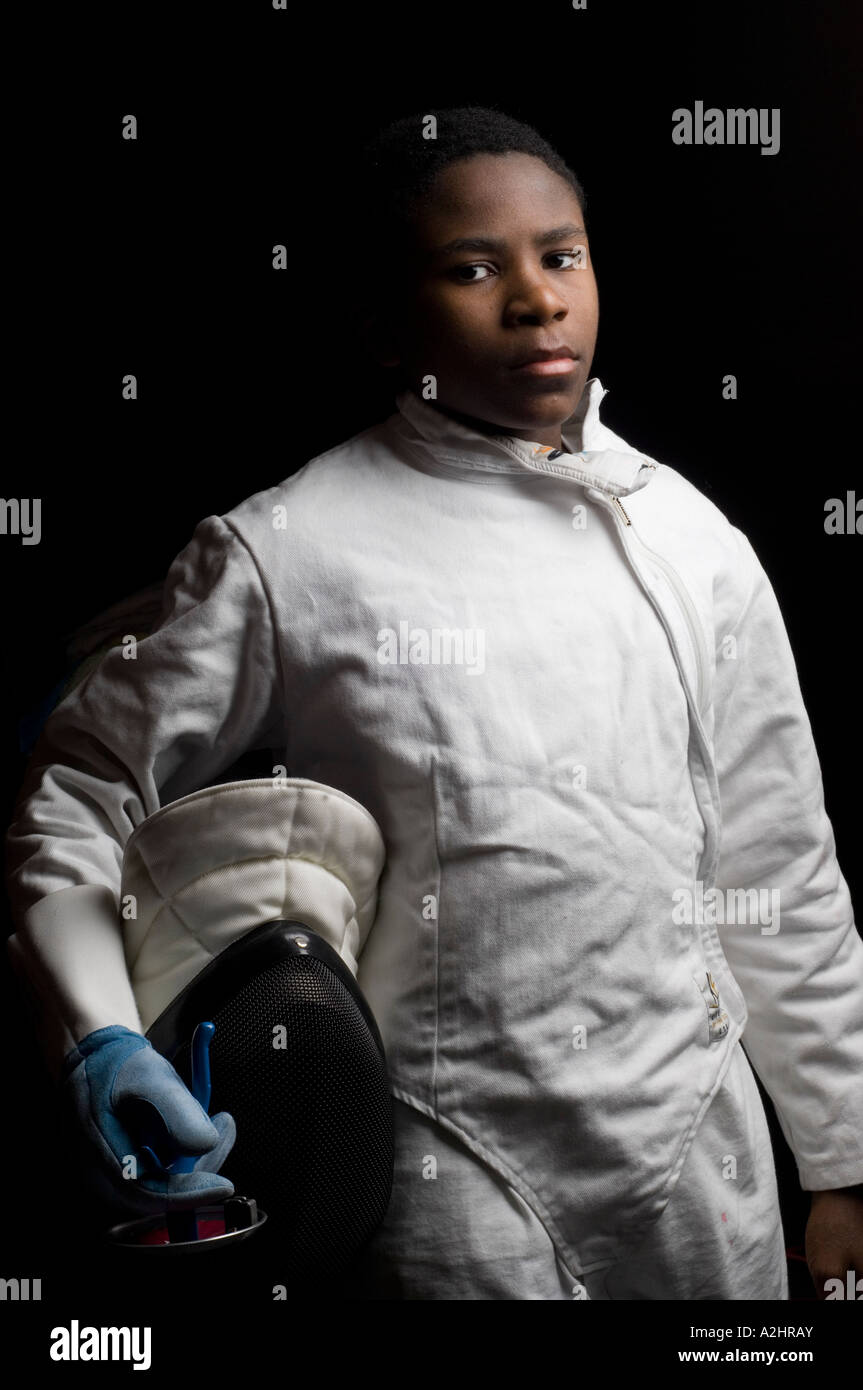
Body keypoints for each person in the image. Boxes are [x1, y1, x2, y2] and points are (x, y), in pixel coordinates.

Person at [6, 105, 863, 1299]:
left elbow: (779, 861)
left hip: (699, 1172)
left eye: (559, 255)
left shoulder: (690, 535)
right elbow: (78, 792)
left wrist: (840, 1162)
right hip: (454, 1190)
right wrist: (98, 1033)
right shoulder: (292, 550)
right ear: (382, 319)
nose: (535, 299)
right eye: (473, 268)